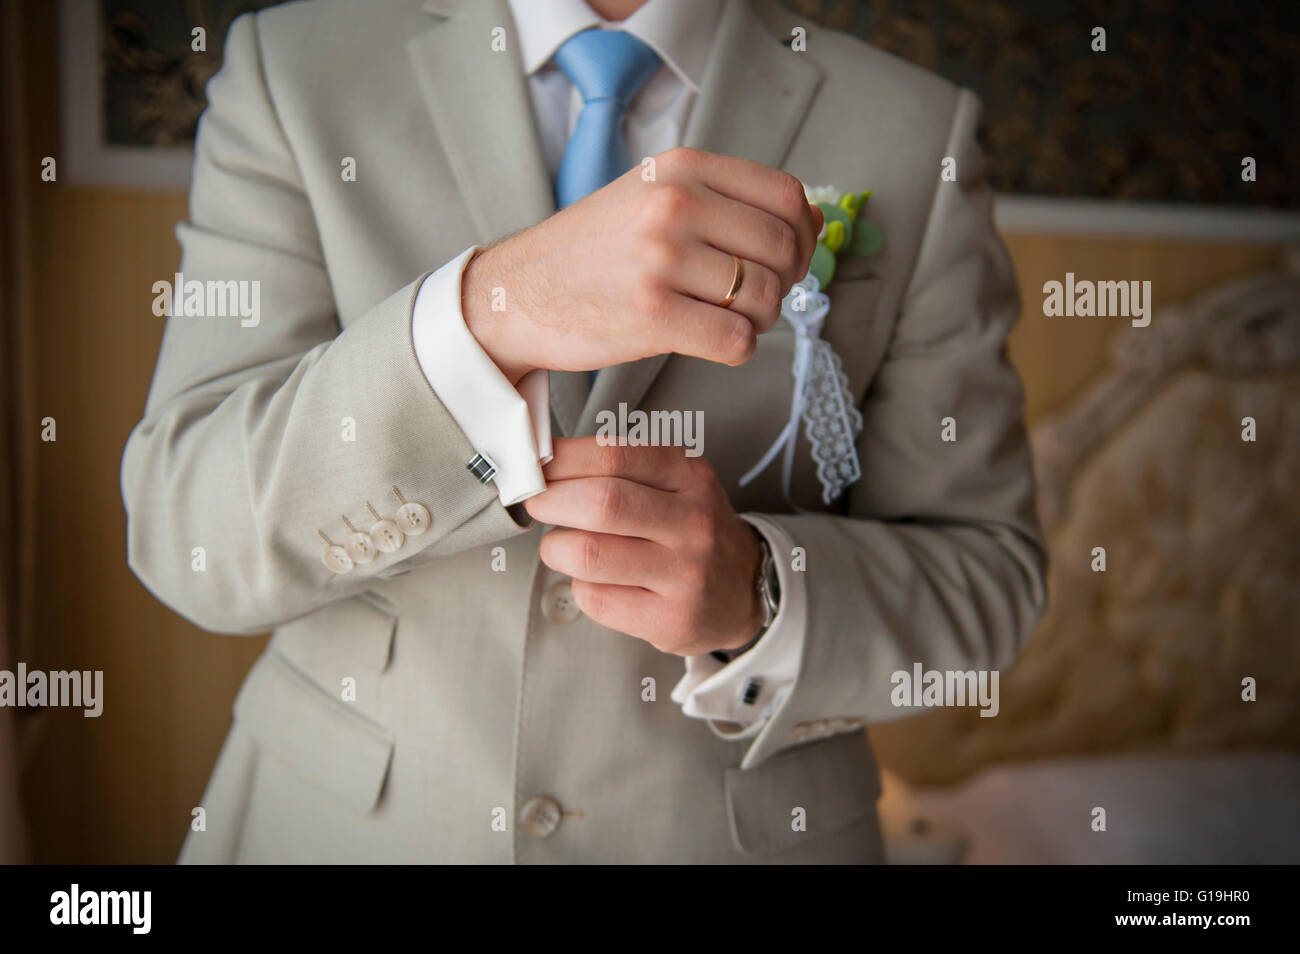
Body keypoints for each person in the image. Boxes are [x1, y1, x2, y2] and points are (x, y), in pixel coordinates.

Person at [121, 0, 1046, 863]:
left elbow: (990, 575)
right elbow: (187, 534)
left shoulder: (916, 130)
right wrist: (493, 313)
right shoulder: (297, 68)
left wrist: (763, 597)